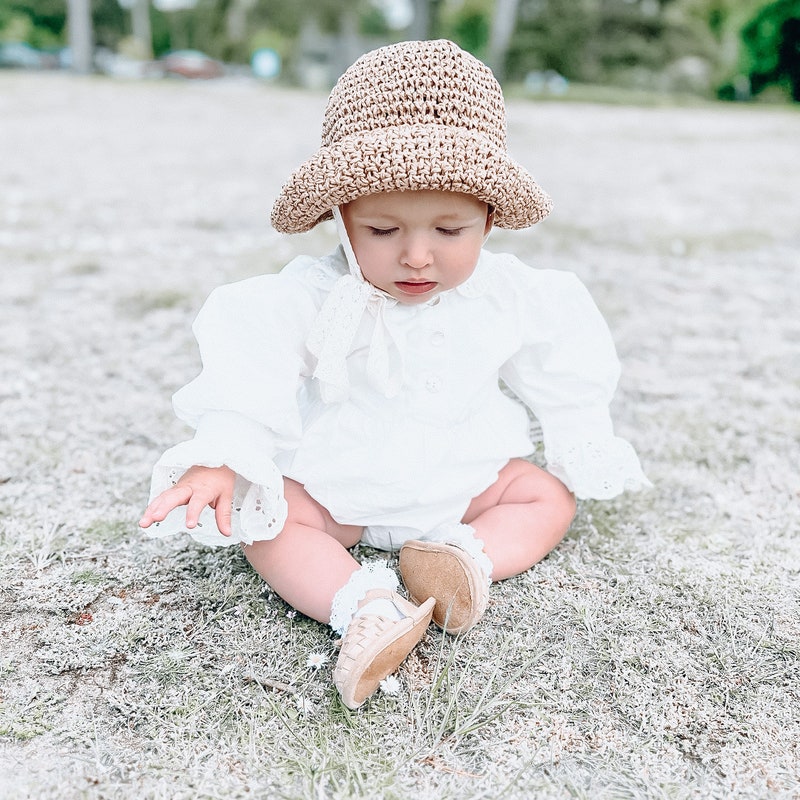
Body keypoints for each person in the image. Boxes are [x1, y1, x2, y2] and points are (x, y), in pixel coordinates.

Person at [139, 39, 650, 710]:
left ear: (490, 219)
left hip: (462, 478)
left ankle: (463, 561)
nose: (417, 256)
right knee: (267, 521)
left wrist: (580, 433)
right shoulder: (312, 296)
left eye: (449, 229)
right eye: (382, 230)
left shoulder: (511, 294)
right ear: (342, 218)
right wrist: (223, 453)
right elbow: (254, 362)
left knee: (547, 497)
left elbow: (565, 360)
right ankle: (364, 606)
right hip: (339, 486)